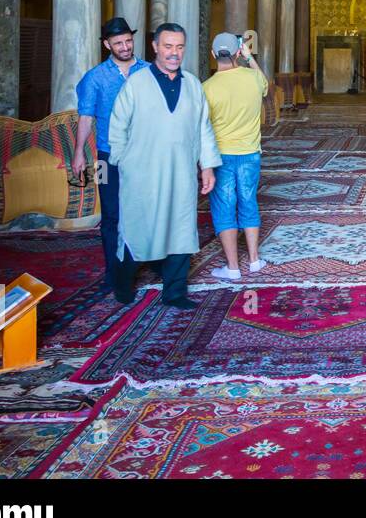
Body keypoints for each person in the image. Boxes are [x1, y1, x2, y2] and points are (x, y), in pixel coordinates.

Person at [107, 23, 221, 309]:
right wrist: (123, 162)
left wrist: (207, 166)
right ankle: (122, 287)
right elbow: (117, 126)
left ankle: (175, 293)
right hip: (142, 174)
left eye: (180, 47)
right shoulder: (137, 82)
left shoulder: (193, 84)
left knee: (181, 230)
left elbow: (203, 129)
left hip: (181, 172)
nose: (174, 53)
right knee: (137, 229)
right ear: (155, 47)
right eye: (168, 46)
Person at [72, 17, 151, 293]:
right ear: (107, 44)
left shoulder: (150, 71)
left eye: (129, 41)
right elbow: (86, 117)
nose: (126, 46)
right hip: (106, 156)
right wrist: (79, 152)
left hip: (143, 155)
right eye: (119, 43)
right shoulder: (95, 77)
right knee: (111, 214)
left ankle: (138, 262)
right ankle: (113, 270)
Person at [203, 33, 270, 281]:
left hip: (221, 156)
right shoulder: (253, 79)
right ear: (237, 53)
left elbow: (203, 127)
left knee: (224, 208)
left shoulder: (207, 88)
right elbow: (265, 85)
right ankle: (254, 260)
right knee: (248, 202)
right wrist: (249, 58)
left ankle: (232, 267)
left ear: (213, 54)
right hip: (250, 153)